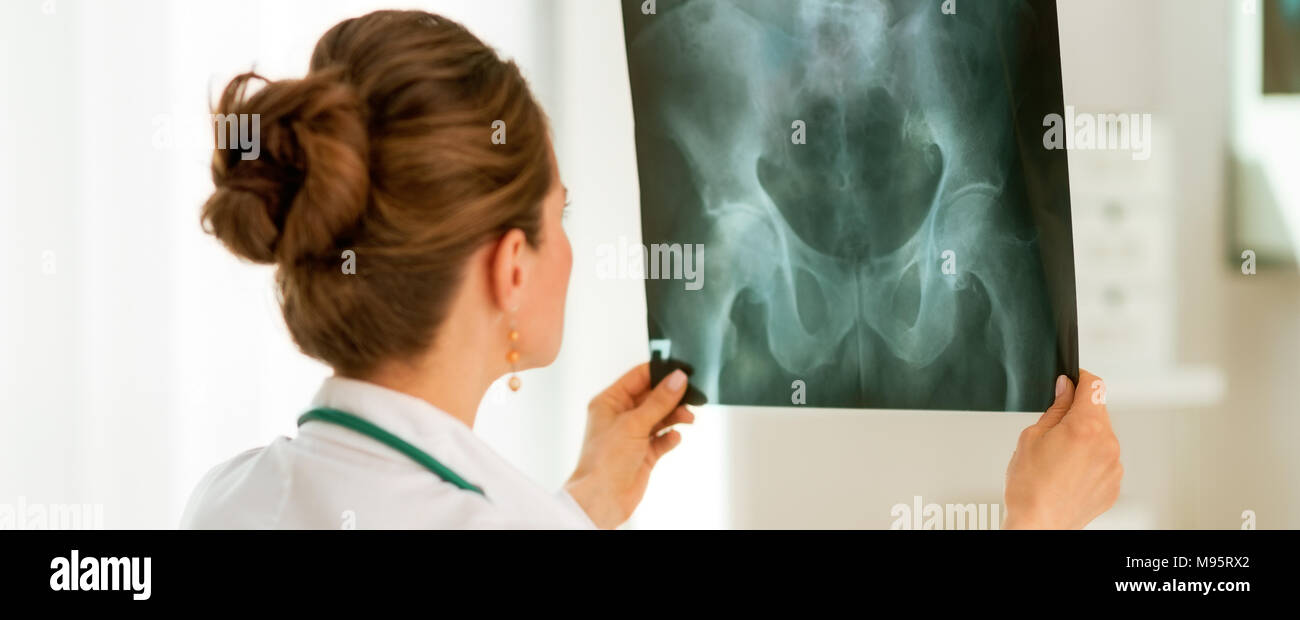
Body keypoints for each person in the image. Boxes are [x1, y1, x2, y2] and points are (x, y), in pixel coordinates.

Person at [181, 9, 1122, 530]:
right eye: (562, 217)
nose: (576, 251)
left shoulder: (223, 501)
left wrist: (581, 505)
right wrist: (1038, 525)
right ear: (512, 266)